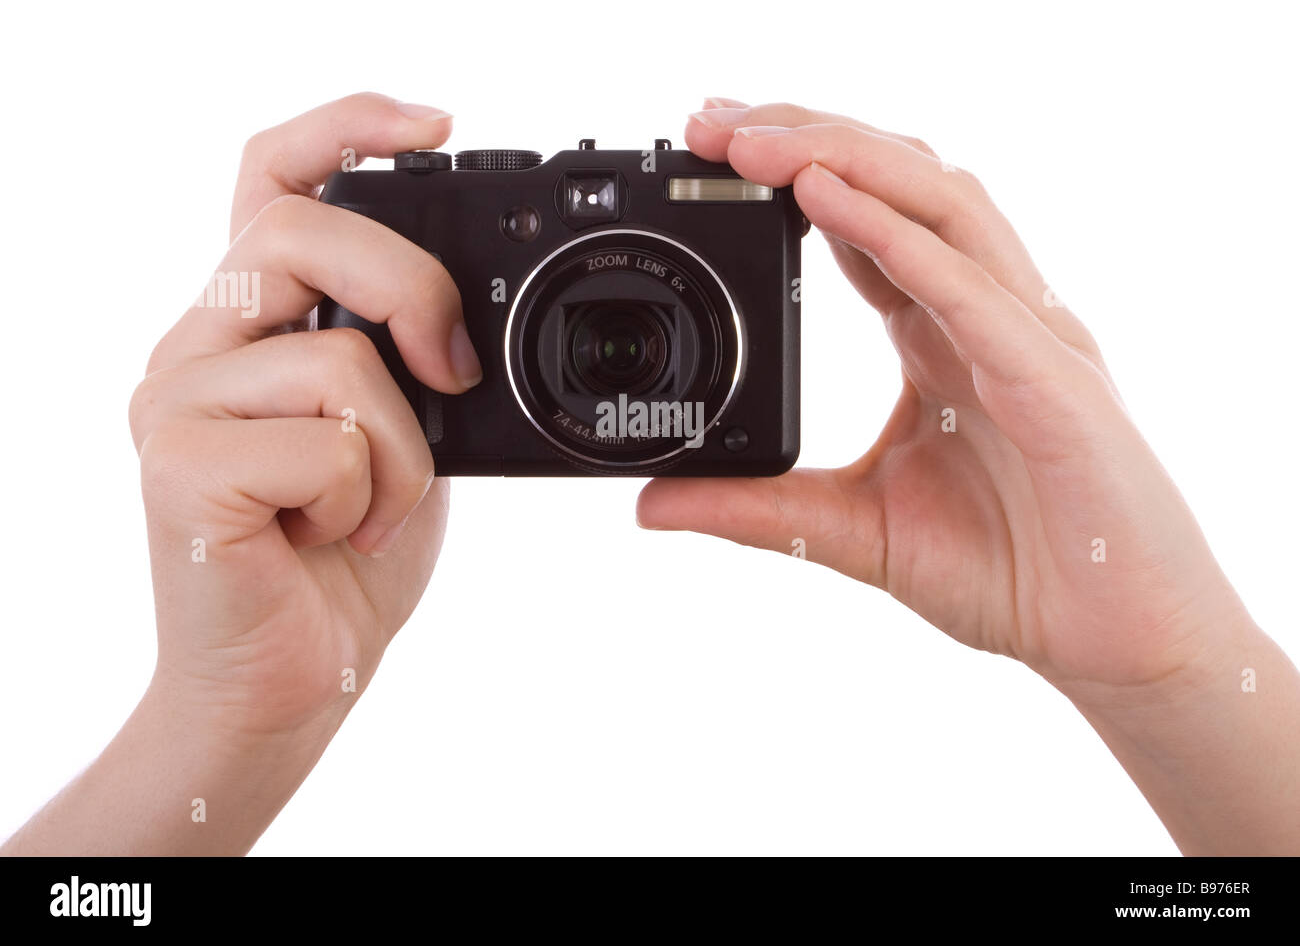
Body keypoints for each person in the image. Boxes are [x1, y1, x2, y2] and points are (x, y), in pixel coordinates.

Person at [3, 94, 1296, 856]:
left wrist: (1173, 667)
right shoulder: (240, 702)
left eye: (633, 319)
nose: (614, 345)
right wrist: (219, 726)